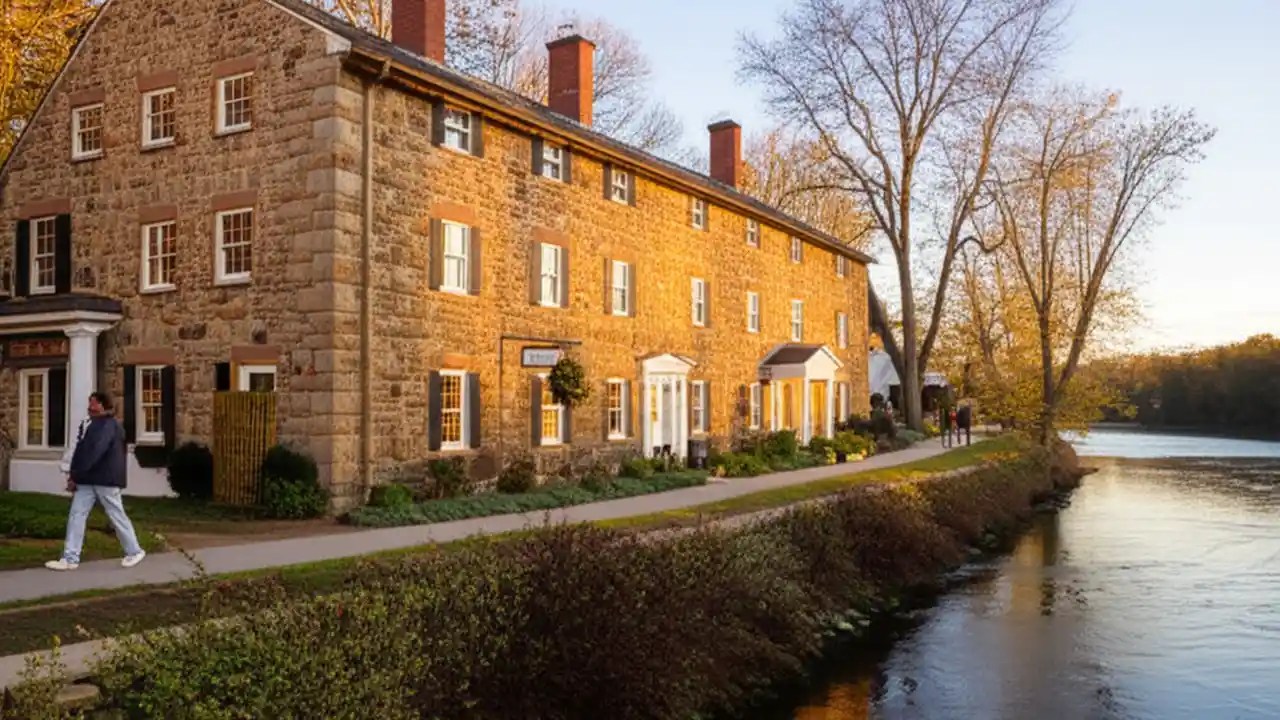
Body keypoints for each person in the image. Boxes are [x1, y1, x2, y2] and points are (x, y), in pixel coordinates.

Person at [45, 391, 146, 571]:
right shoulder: (92, 424)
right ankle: (70, 557)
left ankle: (134, 551)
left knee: (115, 513)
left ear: (102, 405)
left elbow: (94, 452)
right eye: (89, 403)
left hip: (105, 478)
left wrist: (76, 474)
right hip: (88, 478)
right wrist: (75, 473)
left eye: (93, 403)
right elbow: (81, 450)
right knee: (77, 515)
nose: (89, 407)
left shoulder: (108, 425)